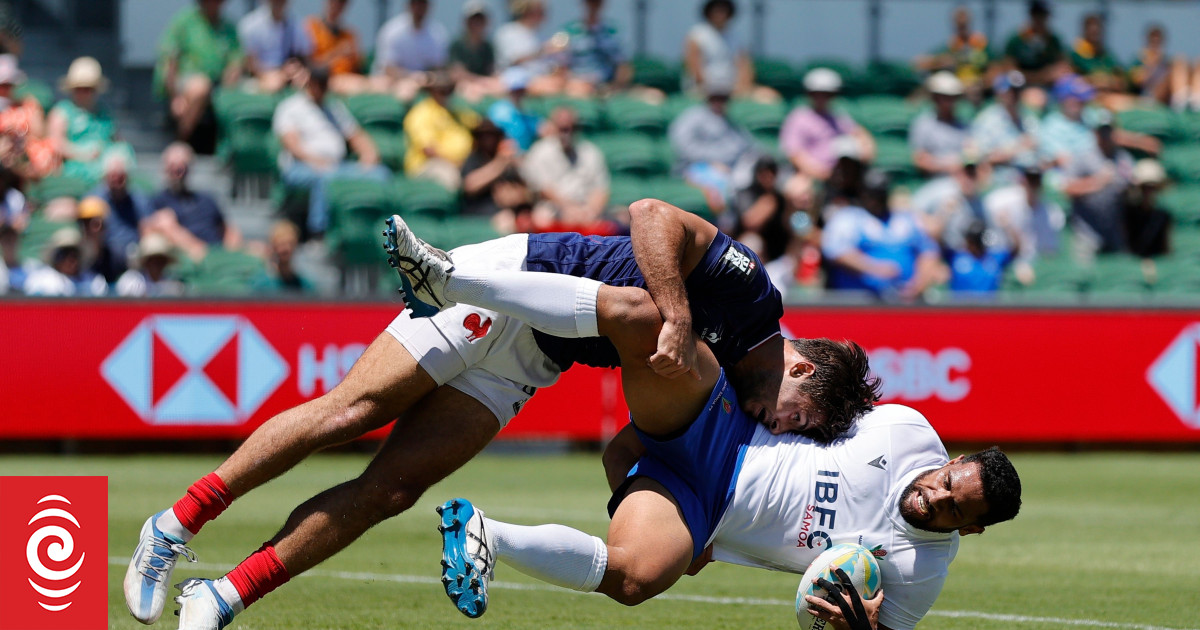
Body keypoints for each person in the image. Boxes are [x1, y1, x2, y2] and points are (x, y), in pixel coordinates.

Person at [128, 197, 857, 628]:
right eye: (793, 415)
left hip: (536, 357)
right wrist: (674, 312)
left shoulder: (727, 386)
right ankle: (174, 525)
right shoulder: (756, 295)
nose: (775, 422)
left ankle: (224, 594)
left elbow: (632, 441)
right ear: (802, 367)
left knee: (395, 487)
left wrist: (642, 501)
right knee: (352, 411)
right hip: (513, 278)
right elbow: (651, 215)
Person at [427, 260, 1021, 627]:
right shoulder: (909, 431)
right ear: (954, 460)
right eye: (947, 481)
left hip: (699, 509)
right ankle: (453, 283)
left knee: (636, 580)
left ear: (969, 530)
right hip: (724, 423)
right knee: (643, 320)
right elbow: (813, 380)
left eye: (952, 509)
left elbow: (870, 628)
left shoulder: (920, 573)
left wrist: (856, 628)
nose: (934, 496)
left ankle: (486, 534)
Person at [275, 65, 388, 238]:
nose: (322, 88)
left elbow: (356, 135)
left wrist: (369, 154)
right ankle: (318, 233)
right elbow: (292, 144)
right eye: (318, 83)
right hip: (301, 167)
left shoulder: (334, 107)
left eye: (324, 84)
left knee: (380, 174)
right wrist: (315, 161)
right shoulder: (291, 107)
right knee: (325, 179)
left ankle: (375, 233)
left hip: (336, 166)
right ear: (310, 83)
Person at [823, 170, 943, 299]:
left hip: (904, 303)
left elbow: (928, 251)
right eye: (873, 195)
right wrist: (875, 269)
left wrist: (918, 284)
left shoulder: (906, 218)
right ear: (863, 193)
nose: (877, 201)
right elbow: (836, 251)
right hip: (859, 302)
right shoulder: (848, 218)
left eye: (881, 195)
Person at [156, 0, 244, 143]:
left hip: (219, 85)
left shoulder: (229, 28)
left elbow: (236, 61)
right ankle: (181, 140)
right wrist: (174, 97)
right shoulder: (184, 22)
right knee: (200, 87)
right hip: (187, 82)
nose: (215, 4)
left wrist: (231, 81)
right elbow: (169, 61)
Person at [669, 75, 760, 212]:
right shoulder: (693, 117)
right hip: (697, 167)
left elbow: (748, 146)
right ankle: (723, 226)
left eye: (723, 98)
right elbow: (684, 146)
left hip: (730, 169)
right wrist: (712, 162)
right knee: (724, 184)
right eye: (716, 97)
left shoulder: (731, 123)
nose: (719, 102)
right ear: (708, 97)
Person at [147, 142, 242, 262]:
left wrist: (230, 253)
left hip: (218, 255)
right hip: (187, 260)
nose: (178, 172)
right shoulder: (157, 202)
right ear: (165, 169)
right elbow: (152, 230)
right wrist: (200, 251)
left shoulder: (207, 199)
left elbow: (228, 230)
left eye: (182, 167)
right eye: (173, 167)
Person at [47, 57, 136, 183]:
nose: (83, 93)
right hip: (78, 168)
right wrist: (84, 154)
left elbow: (116, 139)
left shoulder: (105, 113)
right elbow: (56, 144)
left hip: (108, 163)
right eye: (79, 89)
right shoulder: (62, 111)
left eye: (88, 89)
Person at [521, 107, 611, 230]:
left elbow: (601, 189)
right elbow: (544, 189)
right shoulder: (540, 151)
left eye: (571, 128)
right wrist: (568, 209)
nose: (566, 133)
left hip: (585, 207)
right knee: (541, 219)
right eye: (562, 128)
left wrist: (590, 211)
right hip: (554, 208)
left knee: (615, 221)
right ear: (553, 127)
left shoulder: (590, 152)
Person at [780, 68, 875, 182]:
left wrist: (866, 149)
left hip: (841, 176)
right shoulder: (798, 118)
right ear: (809, 94)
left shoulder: (838, 117)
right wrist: (824, 174)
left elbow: (860, 135)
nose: (821, 98)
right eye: (816, 93)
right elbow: (795, 154)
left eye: (827, 94)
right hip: (809, 177)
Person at [1061, 117, 1134, 255]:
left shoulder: (1123, 157)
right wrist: (1098, 182)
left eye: (1109, 130)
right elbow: (1068, 189)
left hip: (1114, 231)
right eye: (1102, 131)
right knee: (1084, 275)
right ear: (1095, 133)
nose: (1106, 135)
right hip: (1087, 233)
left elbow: (1130, 187)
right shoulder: (1083, 158)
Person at [682, 0, 773, 102]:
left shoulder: (736, 37)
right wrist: (713, 89)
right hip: (703, 90)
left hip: (732, 89)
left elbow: (745, 66)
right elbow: (694, 68)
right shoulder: (697, 35)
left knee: (768, 95)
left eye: (724, 11)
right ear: (708, 12)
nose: (720, 14)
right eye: (717, 10)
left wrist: (741, 88)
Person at [982, 167, 1063, 280]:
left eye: (1036, 182)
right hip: (1007, 261)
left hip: (1037, 265)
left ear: (1041, 185)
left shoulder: (1051, 212)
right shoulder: (1003, 202)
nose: (1032, 185)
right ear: (1023, 182)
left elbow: (1049, 252)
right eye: (1030, 181)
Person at [402, 72, 476, 190]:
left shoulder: (458, 112)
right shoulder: (421, 113)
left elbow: (478, 128)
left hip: (463, 164)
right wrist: (455, 163)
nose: (446, 95)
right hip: (428, 166)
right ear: (432, 91)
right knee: (449, 176)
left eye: (449, 90)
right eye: (442, 91)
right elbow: (428, 150)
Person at [971, 70, 1040, 186]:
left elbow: (1038, 151)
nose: (1014, 95)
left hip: (1030, 179)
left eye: (1018, 91)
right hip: (1001, 181)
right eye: (1011, 91)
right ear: (1000, 93)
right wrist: (1017, 149)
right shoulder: (987, 120)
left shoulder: (1028, 119)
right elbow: (981, 158)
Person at [372, 0, 449, 102]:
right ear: (408, 5)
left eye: (422, 3)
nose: (419, 7)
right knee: (405, 92)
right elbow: (388, 69)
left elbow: (439, 68)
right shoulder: (392, 31)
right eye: (415, 3)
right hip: (394, 82)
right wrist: (413, 77)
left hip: (426, 84)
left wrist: (426, 79)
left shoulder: (438, 33)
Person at [92, 154, 154, 278]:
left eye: (120, 177)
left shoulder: (138, 199)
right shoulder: (95, 200)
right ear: (105, 178)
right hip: (103, 255)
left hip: (133, 257)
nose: (116, 182)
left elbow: (147, 228)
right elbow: (89, 231)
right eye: (112, 177)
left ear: (127, 178)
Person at [0, 55, 57, 182]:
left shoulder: (27, 105)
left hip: (28, 158)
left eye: (8, 85)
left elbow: (39, 134)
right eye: (2, 86)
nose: (5, 90)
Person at [494, 0, 568, 96]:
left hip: (540, 80)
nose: (543, 15)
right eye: (540, 11)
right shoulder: (508, 32)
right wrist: (544, 50)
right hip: (516, 83)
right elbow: (515, 60)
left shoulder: (539, 35)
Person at [237, 0, 313, 93]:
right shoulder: (250, 24)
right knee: (274, 84)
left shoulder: (296, 24)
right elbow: (251, 63)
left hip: (288, 75)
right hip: (260, 77)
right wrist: (275, 74)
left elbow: (304, 56)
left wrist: (297, 70)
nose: (278, 3)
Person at [461, 119, 528, 221]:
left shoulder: (508, 162)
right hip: (480, 213)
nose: (488, 139)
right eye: (483, 135)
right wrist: (499, 164)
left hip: (511, 211)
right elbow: (469, 185)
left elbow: (522, 191)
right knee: (506, 219)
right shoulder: (473, 159)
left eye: (492, 135)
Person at [915, 6, 992, 95]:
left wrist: (980, 82)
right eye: (960, 26)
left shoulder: (982, 45)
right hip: (953, 91)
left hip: (978, 91)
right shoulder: (950, 47)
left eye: (964, 25)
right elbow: (919, 63)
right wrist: (941, 62)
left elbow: (997, 68)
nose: (962, 29)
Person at [560, 0, 631, 97]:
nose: (593, 5)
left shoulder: (613, 31)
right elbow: (561, 67)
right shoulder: (569, 31)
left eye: (597, 2)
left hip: (606, 88)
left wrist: (615, 88)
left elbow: (623, 67)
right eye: (590, 1)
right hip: (576, 88)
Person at [909, 72, 969, 177]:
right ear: (935, 98)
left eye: (954, 98)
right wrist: (950, 166)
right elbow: (920, 161)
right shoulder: (923, 125)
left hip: (964, 181)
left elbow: (973, 153)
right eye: (945, 97)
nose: (950, 102)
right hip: (937, 181)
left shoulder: (965, 126)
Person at [731, 155, 789, 263]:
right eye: (764, 172)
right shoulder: (745, 193)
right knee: (752, 242)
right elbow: (750, 223)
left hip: (776, 250)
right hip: (746, 249)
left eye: (772, 172)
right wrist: (768, 203)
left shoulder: (780, 197)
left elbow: (787, 225)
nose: (768, 176)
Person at [306, 0, 369, 95]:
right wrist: (337, 53)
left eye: (341, 2)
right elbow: (310, 67)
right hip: (323, 82)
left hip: (349, 79)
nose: (336, 5)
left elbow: (360, 68)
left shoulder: (349, 35)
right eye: (332, 1)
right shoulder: (311, 27)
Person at [24, 226, 108, 297]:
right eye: (64, 254)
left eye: (74, 254)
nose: (70, 260)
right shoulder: (42, 280)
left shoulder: (94, 281)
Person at [1069, 13, 1128, 110]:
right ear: (1084, 30)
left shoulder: (1106, 55)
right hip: (1088, 100)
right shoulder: (1076, 54)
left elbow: (1121, 80)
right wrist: (1098, 81)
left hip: (1111, 96)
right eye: (1091, 26)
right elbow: (1074, 82)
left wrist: (1105, 81)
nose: (1095, 30)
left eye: (1098, 27)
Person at [449, 1, 503, 102]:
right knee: (468, 90)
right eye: (474, 20)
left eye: (480, 20)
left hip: (484, 85)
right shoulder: (457, 45)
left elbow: (492, 71)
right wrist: (480, 81)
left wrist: (491, 81)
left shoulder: (488, 47)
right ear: (467, 22)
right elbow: (457, 75)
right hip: (465, 85)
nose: (477, 24)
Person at [1003, 0, 1064, 86]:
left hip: (1048, 85)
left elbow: (1062, 65)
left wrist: (1051, 74)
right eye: (1037, 15)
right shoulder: (1016, 40)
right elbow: (1008, 67)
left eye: (1043, 15)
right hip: (1019, 84)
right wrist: (1036, 77)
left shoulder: (1054, 40)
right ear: (1031, 15)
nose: (1040, 20)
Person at [946, 220, 1015, 294]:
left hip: (988, 304)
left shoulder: (995, 257)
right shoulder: (956, 256)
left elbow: (1015, 249)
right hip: (959, 304)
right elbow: (937, 242)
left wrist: (1007, 226)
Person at [1124, 158, 1171, 260]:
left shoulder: (1163, 216)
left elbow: (1166, 249)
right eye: (1145, 187)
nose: (1148, 192)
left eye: (1152, 188)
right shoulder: (1127, 214)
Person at [487, 67, 542, 152]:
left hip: (527, 156)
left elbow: (539, 128)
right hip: (506, 156)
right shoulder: (498, 111)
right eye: (516, 90)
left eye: (521, 90)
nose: (519, 93)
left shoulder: (528, 112)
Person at [250, 219, 313, 294]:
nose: (286, 249)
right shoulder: (260, 285)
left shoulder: (305, 286)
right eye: (281, 244)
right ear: (273, 246)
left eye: (290, 244)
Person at [115, 233, 185, 297]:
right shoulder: (132, 280)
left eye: (161, 260)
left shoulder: (170, 284)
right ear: (146, 262)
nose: (158, 264)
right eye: (153, 260)